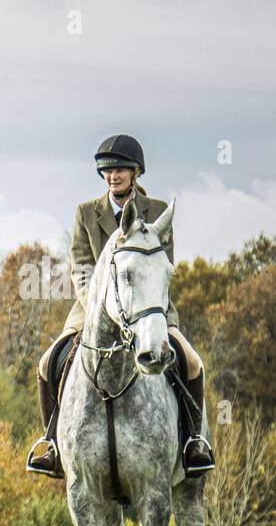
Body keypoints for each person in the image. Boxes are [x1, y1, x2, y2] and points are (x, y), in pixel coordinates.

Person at [27, 133, 214, 478]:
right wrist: (101, 306)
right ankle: (51, 444)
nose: (113, 176)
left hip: (148, 310)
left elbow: (161, 266)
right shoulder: (85, 213)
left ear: (136, 172)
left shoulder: (157, 213)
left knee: (192, 362)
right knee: (45, 363)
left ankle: (193, 443)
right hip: (94, 311)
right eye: (108, 171)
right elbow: (81, 267)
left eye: (121, 170)